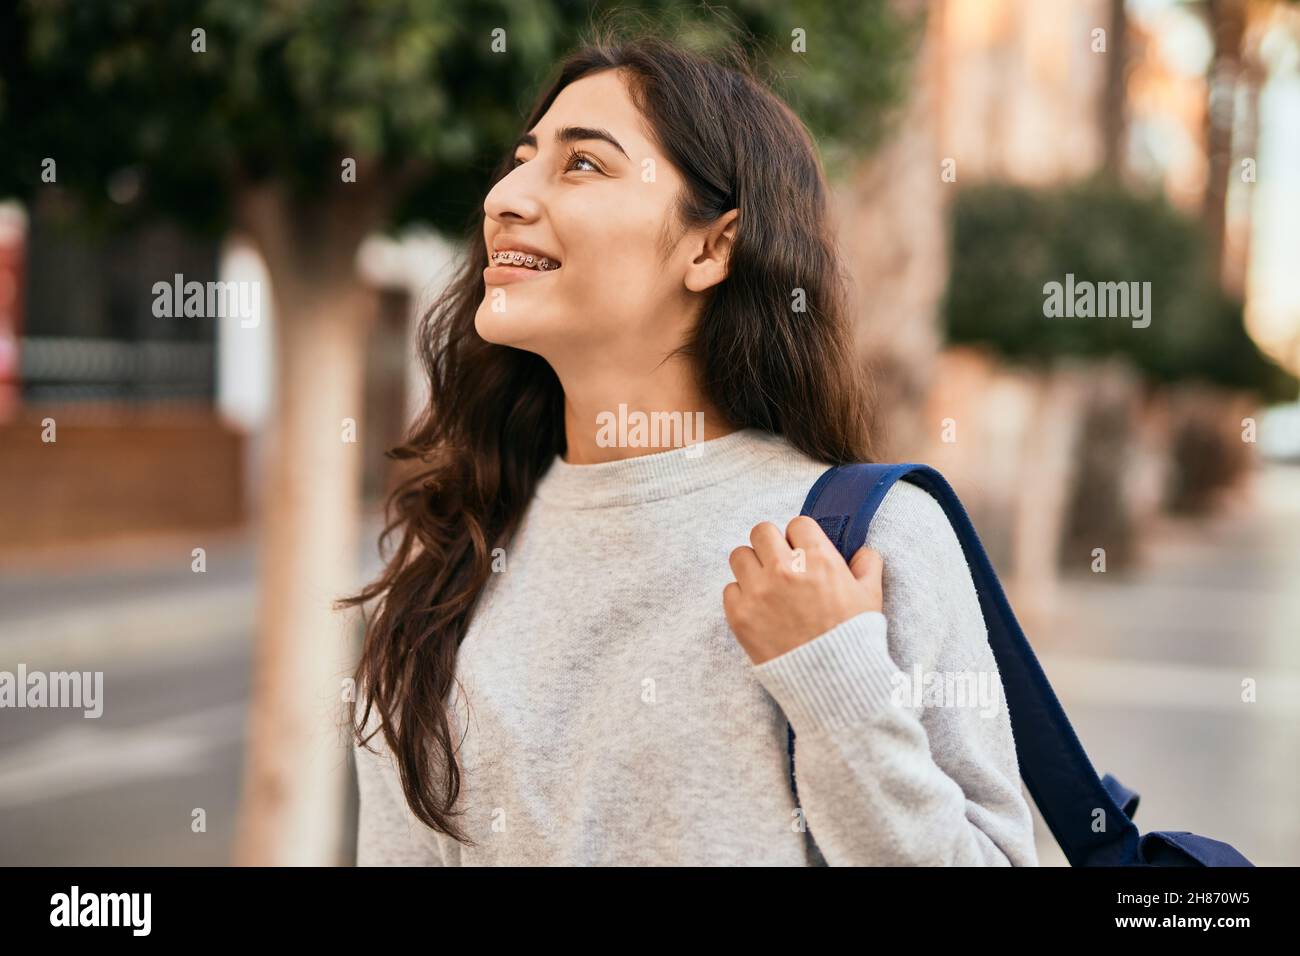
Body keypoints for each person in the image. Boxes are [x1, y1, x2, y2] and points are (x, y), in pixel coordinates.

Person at [345, 28, 1039, 866]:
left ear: (712, 247)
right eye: (520, 160)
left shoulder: (869, 539)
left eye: (583, 164)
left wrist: (837, 681)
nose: (504, 196)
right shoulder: (452, 555)